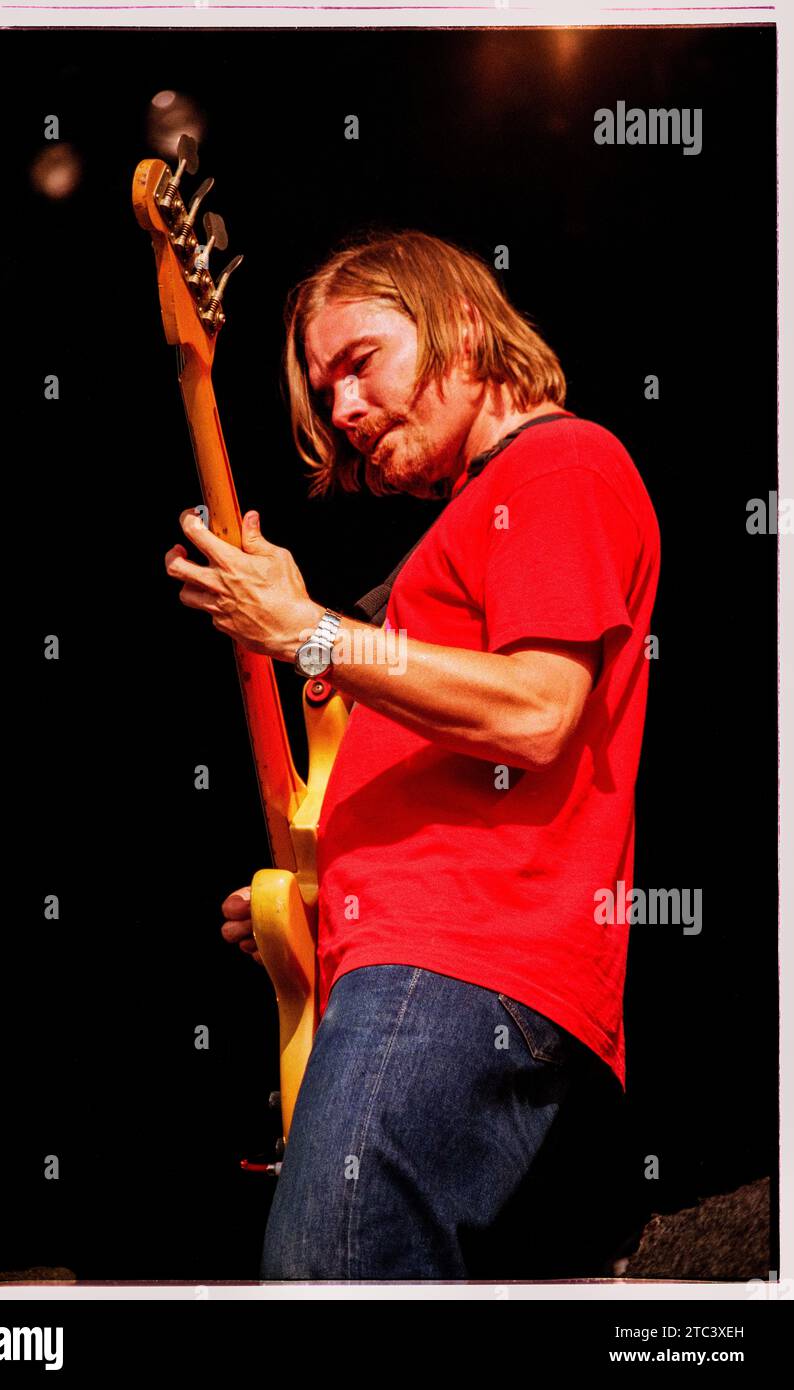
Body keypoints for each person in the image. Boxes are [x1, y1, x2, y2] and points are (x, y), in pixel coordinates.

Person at [165, 230, 661, 1279]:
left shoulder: (561, 462)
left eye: (360, 362)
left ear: (464, 328)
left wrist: (309, 631)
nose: (340, 409)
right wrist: (312, 903)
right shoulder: (464, 529)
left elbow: (535, 712)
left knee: (329, 1273)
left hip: (456, 961)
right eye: (321, 383)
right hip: (412, 964)